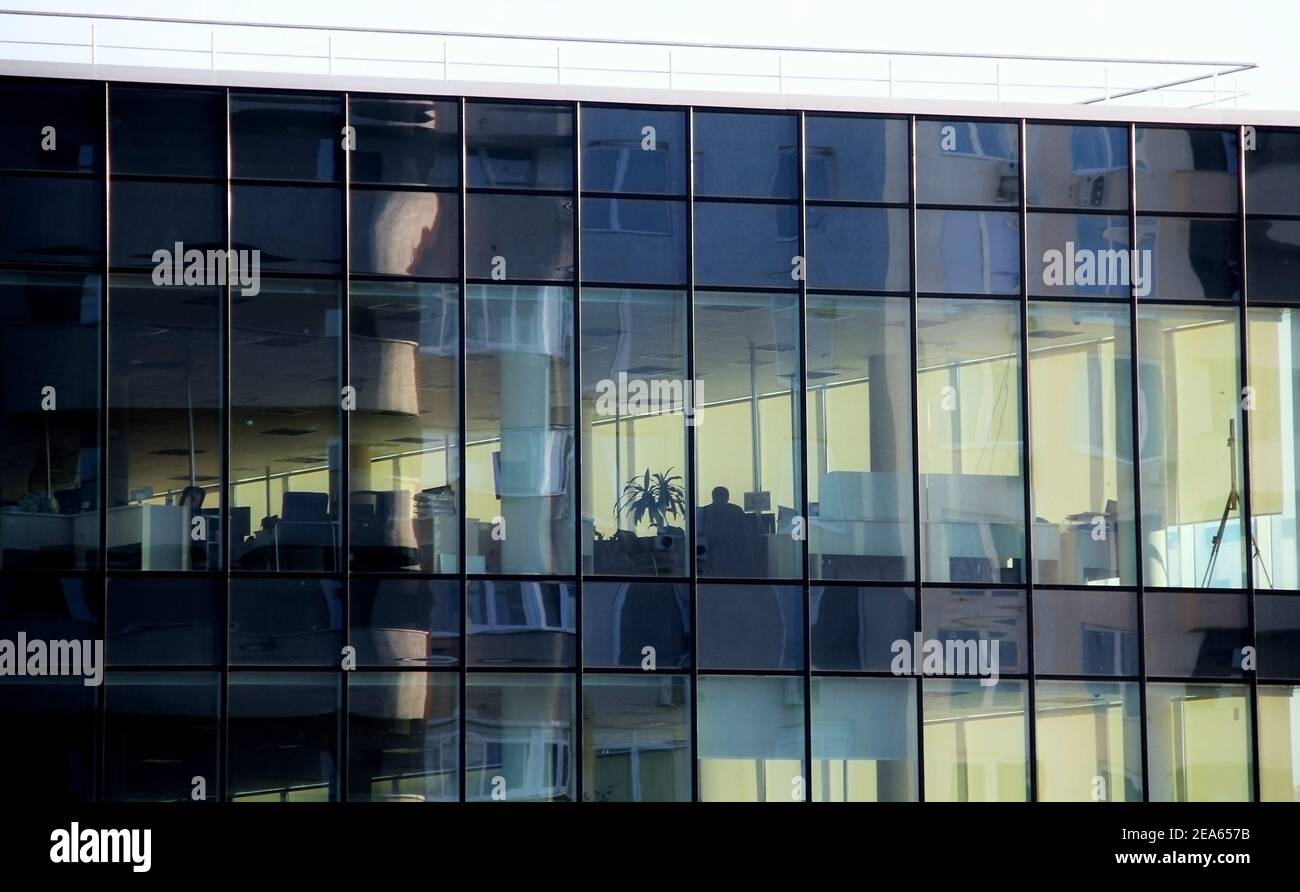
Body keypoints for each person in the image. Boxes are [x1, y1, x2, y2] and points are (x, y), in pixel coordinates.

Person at [698, 486, 753, 576]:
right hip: (720, 548)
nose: (720, 499)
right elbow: (746, 529)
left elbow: (746, 528)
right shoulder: (735, 510)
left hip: (722, 548)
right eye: (718, 496)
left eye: (721, 496)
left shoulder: (706, 510)